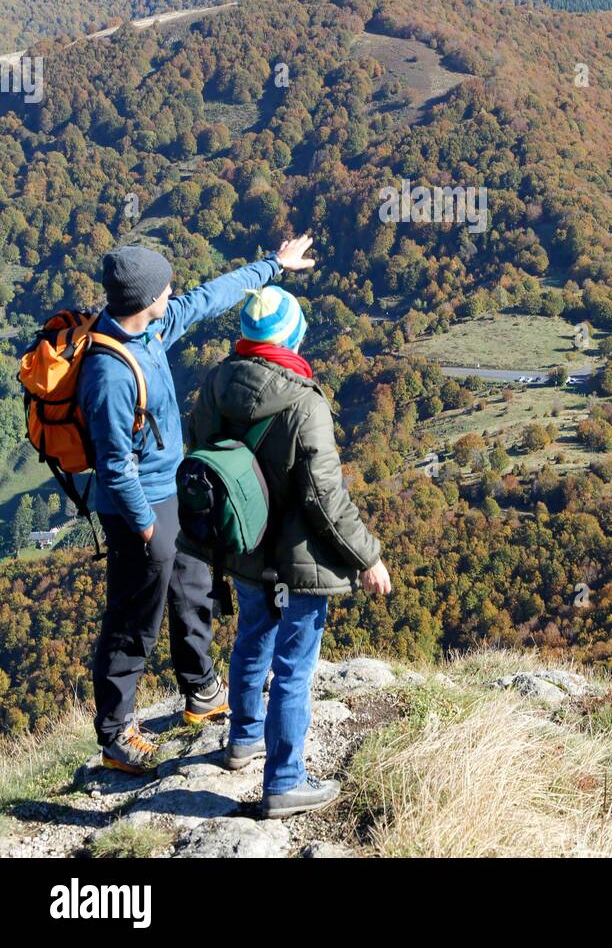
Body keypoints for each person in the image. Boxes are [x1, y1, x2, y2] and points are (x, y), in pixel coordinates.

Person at [78, 235, 315, 774]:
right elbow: (114, 467)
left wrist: (272, 265)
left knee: (193, 584)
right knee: (135, 613)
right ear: (147, 298)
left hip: (170, 490)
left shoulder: (152, 328)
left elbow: (209, 298)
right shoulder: (109, 373)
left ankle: (202, 689)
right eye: (166, 286)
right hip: (135, 505)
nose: (174, 291)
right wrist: (145, 529)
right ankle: (115, 734)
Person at [184, 283, 391, 818]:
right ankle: (284, 781)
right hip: (297, 562)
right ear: (293, 336)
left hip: (243, 546)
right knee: (295, 667)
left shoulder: (214, 383)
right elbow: (326, 499)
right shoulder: (304, 403)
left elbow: (203, 459)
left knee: (252, 637)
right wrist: (367, 557)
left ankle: (243, 740)